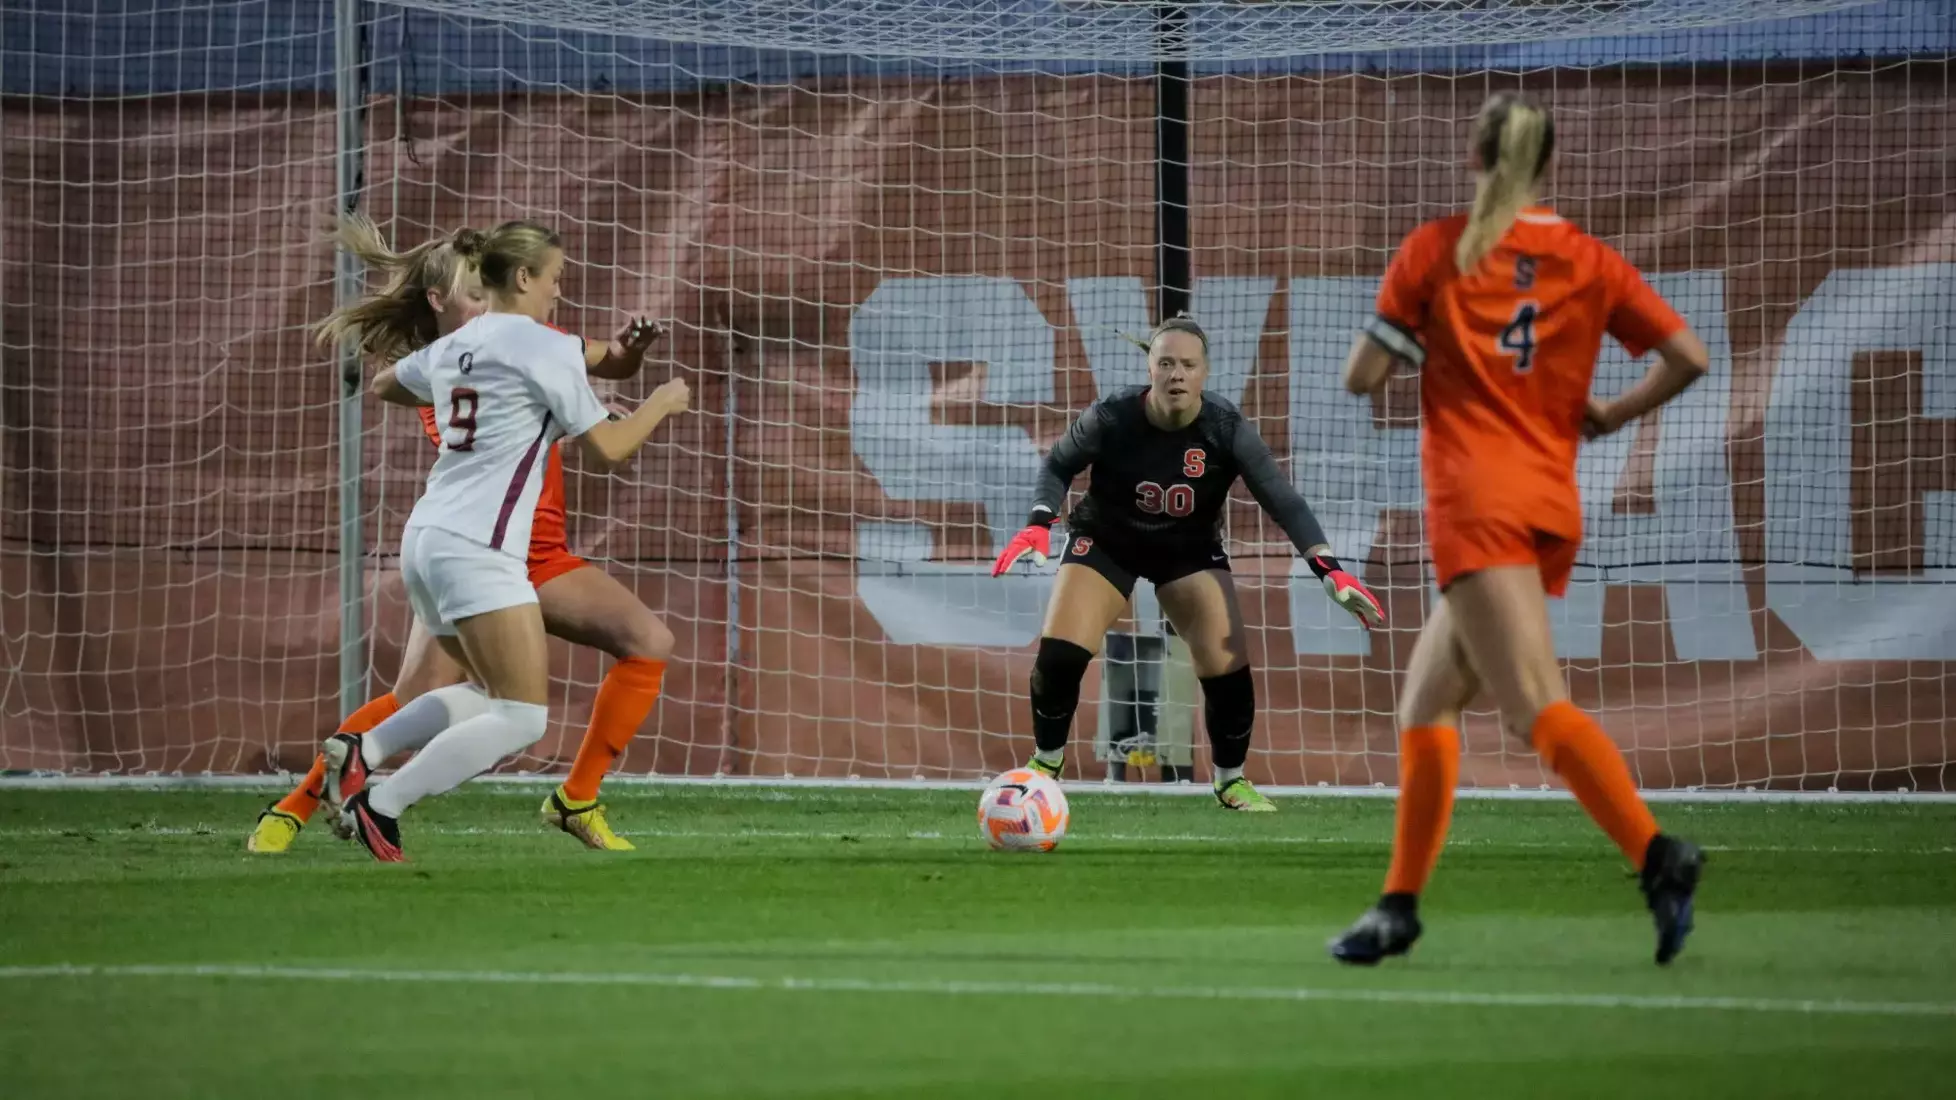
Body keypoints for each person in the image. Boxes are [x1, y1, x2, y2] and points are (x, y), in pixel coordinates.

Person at [1328, 92, 1710, 966]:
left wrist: (1432, 341)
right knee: (1427, 703)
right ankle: (1397, 906)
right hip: (1548, 501)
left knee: (1535, 707)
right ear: (1551, 167)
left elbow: (1360, 376)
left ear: (1475, 160)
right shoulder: (1589, 260)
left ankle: (1658, 854)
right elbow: (1690, 356)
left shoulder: (1438, 250)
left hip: (1475, 503)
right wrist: (1610, 414)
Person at [264, 217, 685, 861]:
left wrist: (626, 354)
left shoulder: (462, 350)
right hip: (486, 549)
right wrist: (660, 404)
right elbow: (606, 450)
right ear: (521, 278)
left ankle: (364, 753)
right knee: (520, 718)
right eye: (555, 280)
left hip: (433, 539)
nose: (559, 293)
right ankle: (378, 801)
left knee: (476, 695)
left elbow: (384, 383)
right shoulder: (539, 345)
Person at [990, 315, 1385, 811]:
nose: (1177, 373)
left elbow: (1284, 501)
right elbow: (1057, 464)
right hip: (1108, 542)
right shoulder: (1111, 416)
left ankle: (1230, 781)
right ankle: (1045, 765)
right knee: (1060, 655)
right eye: (1167, 363)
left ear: (1205, 374)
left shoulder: (1226, 428)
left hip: (1188, 550)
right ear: (1150, 369)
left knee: (1228, 670)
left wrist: (1330, 570)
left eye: (1188, 365)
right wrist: (1039, 522)